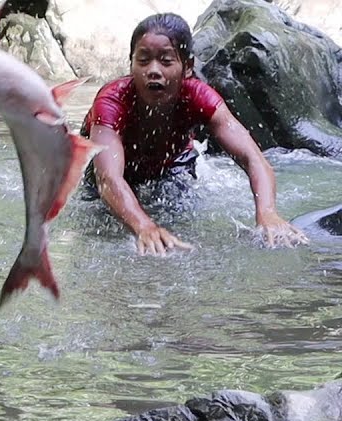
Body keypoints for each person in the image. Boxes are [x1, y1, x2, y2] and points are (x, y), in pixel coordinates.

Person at [82, 12, 309, 256]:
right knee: (108, 231)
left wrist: (267, 213)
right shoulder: (111, 100)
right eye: (143, 60)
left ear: (187, 67)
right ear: (131, 64)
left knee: (182, 229)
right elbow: (108, 180)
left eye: (166, 61)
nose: (153, 70)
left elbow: (253, 157)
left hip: (173, 165)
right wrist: (144, 227)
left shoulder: (199, 97)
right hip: (113, 171)